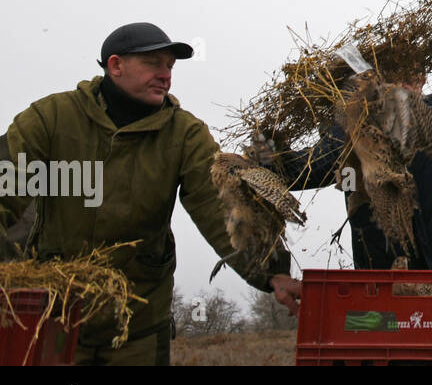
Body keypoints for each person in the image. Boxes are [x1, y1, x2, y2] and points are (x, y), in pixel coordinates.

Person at [0, 22, 301, 365]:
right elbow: (5, 186)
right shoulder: (51, 118)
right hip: (55, 318)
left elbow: (218, 207)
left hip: (137, 322)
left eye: (170, 67)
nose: (165, 75)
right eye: (153, 64)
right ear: (116, 66)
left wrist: (269, 271)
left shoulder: (185, 134)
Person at [275, 32, 432, 270]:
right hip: (387, 276)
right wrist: (268, 159)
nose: (415, 85)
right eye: (405, 78)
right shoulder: (354, 129)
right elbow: (312, 166)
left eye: (419, 78)